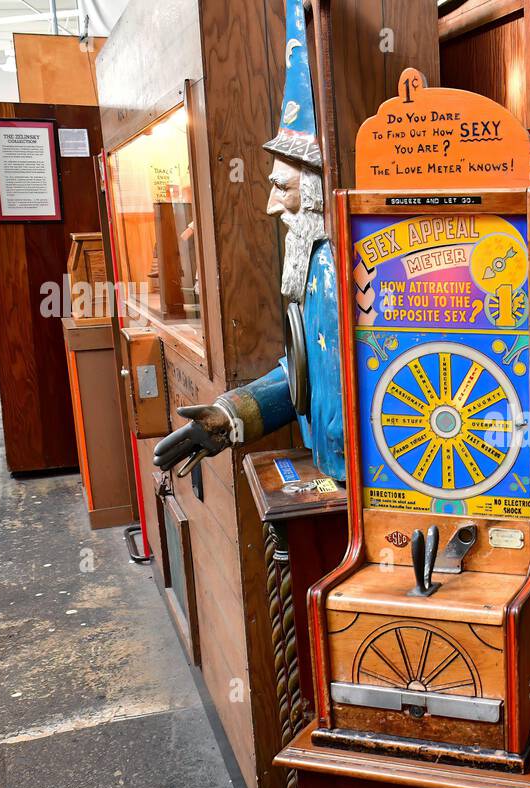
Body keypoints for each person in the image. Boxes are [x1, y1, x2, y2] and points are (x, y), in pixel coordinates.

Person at [153, 0, 344, 482]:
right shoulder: (315, 265)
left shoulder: (347, 269)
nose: (271, 206)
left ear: (317, 189)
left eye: (282, 188)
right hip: (332, 476)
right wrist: (230, 415)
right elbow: (305, 372)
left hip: (376, 487)